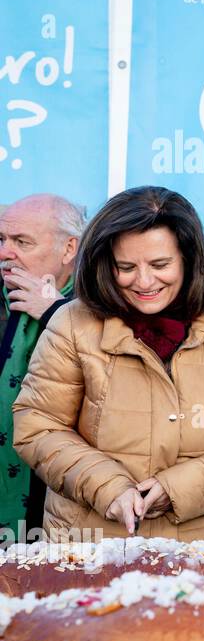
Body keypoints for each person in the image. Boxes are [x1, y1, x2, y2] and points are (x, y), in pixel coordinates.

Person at [12, 187, 204, 542]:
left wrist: (182, 488)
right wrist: (108, 487)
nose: (144, 282)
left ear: (189, 258)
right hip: (93, 550)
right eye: (126, 268)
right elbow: (38, 425)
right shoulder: (73, 324)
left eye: (160, 265)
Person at [0, 194, 85, 540]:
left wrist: (55, 312)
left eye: (22, 242)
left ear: (68, 249)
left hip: (63, 509)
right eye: (2, 240)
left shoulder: (100, 303)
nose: (6, 253)